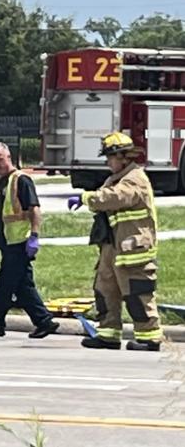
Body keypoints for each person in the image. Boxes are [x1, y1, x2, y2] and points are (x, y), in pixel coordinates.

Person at [68, 132, 162, 351]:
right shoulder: (115, 178)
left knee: (137, 293)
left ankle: (149, 338)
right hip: (113, 247)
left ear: (124, 157)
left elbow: (115, 198)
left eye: (110, 157)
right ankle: (108, 335)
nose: (107, 162)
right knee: (105, 288)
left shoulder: (134, 179)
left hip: (133, 249)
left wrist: (86, 198)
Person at [0, 142, 59, 339]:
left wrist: (34, 236)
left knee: (5, 285)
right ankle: (44, 321)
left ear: (9, 158)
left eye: (0, 159)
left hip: (20, 243)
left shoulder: (20, 180)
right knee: (23, 287)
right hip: (6, 242)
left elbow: (34, 209)